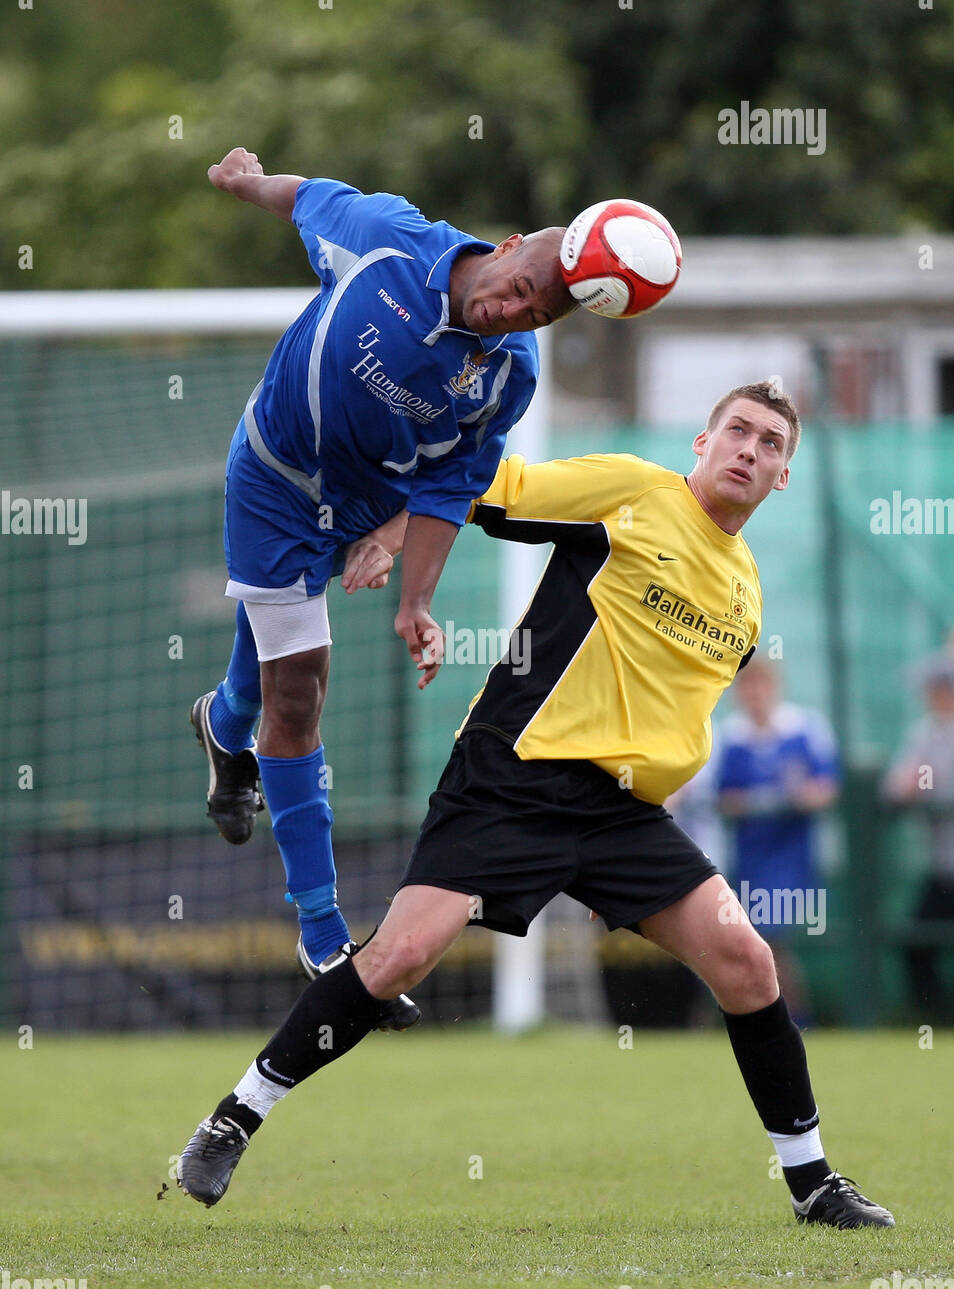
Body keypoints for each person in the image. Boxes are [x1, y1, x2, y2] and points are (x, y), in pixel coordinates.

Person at [177, 381, 894, 1230]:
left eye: (771, 443)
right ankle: (234, 1116)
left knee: (747, 964)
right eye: (736, 430)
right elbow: (489, 487)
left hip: (622, 817)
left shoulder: (745, 593)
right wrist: (401, 530)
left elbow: (672, 715)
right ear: (701, 444)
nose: (750, 448)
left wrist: (615, 872)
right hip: (512, 778)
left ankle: (814, 1185)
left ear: (781, 478)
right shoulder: (633, 493)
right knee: (401, 957)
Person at [190, 148, 577, 1022]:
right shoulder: (388, 241)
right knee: (300, 685)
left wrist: (414, 592)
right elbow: (304, 198)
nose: (513, 309)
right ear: (509, 244)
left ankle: (221, 725)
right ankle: (324, 932)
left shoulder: (508, 371)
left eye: (538, 312)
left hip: (368, 507)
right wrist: (248, 181)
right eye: (521, 285)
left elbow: (452, 482)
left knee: (265, 679)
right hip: (276, 485)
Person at [715, 658, 840, 1021]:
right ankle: (784, 1020)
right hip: (749, 858)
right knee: (759, 942)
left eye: (761, 686)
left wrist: (799, 798)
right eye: (747, 688)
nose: (754, 695)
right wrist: (762, 801)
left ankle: (792, 1020)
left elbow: (826, 788)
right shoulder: (732, 739)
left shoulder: (804, 730)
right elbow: (724, 798)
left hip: (792, 856)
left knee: (770, 940)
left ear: (775, 688)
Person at [882, 653, 954, 1020]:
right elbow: (897, 788)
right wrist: (905, 788)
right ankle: (936, 1020)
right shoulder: (925, 734)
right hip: (943, 867)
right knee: (917, 943)